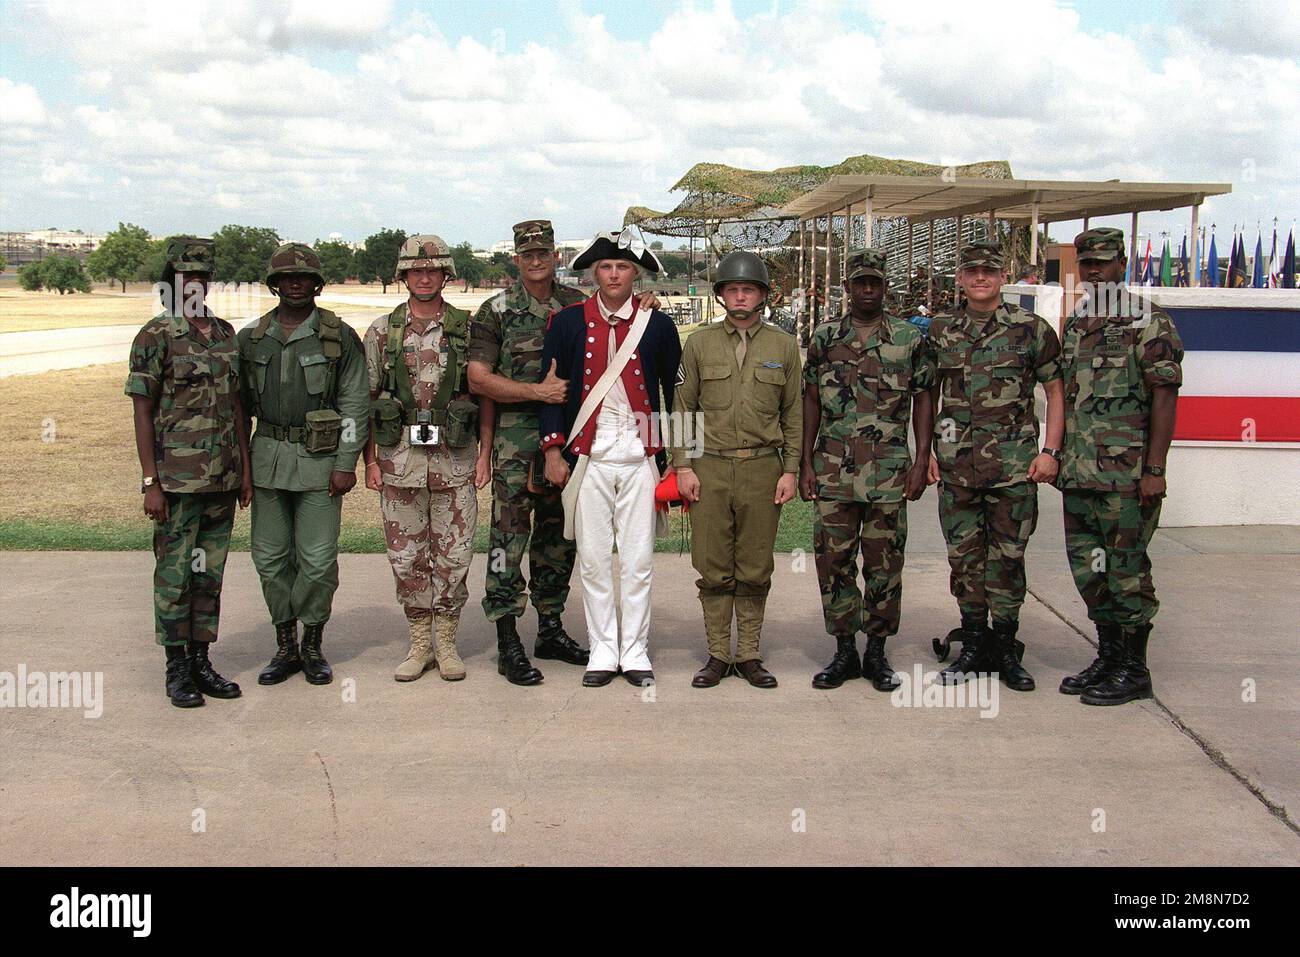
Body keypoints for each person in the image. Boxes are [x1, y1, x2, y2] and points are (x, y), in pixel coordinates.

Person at [539, 230, 682, 687]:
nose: (614, 274)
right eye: (605, 267)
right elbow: (552, 392)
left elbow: (675, 395)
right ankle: (603, 650)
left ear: (635, 274)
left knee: (638, 561)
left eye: (622, 267)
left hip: (640, 453)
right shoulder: (565, 323)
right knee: (596, 560)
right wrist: (552, 447)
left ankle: (635, 651)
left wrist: (681, 458)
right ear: (593, 273)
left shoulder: (658, 324)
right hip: (589, 454)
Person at [926, 241, 1064, 691]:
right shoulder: (941, 330)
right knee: (965, 558)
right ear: (960, 278)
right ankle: (972, 643)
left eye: (988, 271)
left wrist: (1051, 451)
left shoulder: (1030, 329)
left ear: (1003, 276)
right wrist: (926, 451)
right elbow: (927, 396)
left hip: (1014, 467)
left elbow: (1056, 393)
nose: (980, 278)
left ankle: (1005, 646)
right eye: (972, 271)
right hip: (957, 467)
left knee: (1007, 559)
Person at [1057, 228, 1183, 705]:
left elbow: (1164, 397)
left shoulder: (1150, 322)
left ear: (1122, 263)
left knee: (1126, 570)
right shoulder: (1077, 324)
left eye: (1103, 262)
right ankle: (1108, 658)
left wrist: (1155, 468)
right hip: (1081, 473)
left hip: (1128, 477)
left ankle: (1134, 669)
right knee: (1090, 571)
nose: (1094, 270)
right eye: (1087, 262)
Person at [126, 236, 252, 708]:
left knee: (209, 575)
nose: (194, 284)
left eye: (201, 277)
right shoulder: (155, 336)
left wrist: (244, 471)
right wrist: (149, 481)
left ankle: (202, 660)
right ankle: (176, 668)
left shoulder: (223, 333)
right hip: (176, 484)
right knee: (175, 575)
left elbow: (238, 407)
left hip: (221, 480)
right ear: (172, 283)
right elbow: (142, 412)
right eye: (185, 278)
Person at [801, 249, 934, 691]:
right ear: (848, 288)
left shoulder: (909, 339)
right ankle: (843, 653)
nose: (868, 290)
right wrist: (805, 463)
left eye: (875, 283)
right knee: (833, 562)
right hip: (834, 471)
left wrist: (921, 460)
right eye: (860, 283)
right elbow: (811, 401)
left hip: (889, 473)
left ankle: (877, 654)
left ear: (884, 286)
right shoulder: (825, 338)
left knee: (884, 565)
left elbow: (924, 400)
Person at [237, 243, 369, 687]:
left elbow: (354, 402)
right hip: (267, 458)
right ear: (274, 284)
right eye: (286, 277)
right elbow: (237, 409)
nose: (295, 284)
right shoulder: (251, 337)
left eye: (304, 277)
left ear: (316, 284)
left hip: (320, 463)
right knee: (271, 559)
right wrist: (241, 467)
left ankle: (312, 643)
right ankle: (285, 645)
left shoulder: (338, 336)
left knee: (316, 560)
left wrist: (346, 461)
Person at [362, 235, 493, 682]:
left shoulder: (468, 329)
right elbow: (368, 398)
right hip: (399, 462)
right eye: (416, 271)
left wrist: (485, 455)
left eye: (432, 270)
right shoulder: (383, 331)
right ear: (403, 276)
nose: (424, 277)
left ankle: (448, 642)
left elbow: (485, 394)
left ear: (445, 275)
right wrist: (371, 462)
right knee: (406, 557)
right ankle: (420, 642)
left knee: (455, 556)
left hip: (455, 460)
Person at [467, 220, 590, 685]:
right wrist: (537, 393)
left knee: (559, 539)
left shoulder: (578, 305)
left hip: (571, 442)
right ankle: (507, 639)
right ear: (515, 259)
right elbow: (478, 378)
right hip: (516, 442)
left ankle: (551, 629)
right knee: (507, 542)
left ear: (556, 256)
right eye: (528, 254)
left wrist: (647, 304)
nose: (537, 261)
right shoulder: (494, 310)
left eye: (544, 253)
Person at [673, 250, 802, 689]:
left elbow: (794, 413)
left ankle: (748, 653)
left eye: (749, 289)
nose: (741, 296)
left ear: (763, 295)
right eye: (733, 289)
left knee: (753, 565)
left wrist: (791, 470)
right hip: (709, 466)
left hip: (762, 468)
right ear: (722, 295)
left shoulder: (783, 346)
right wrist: (683, 466)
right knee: (712, 565)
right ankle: (716, 654)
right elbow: (683, 408)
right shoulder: (699, 343)